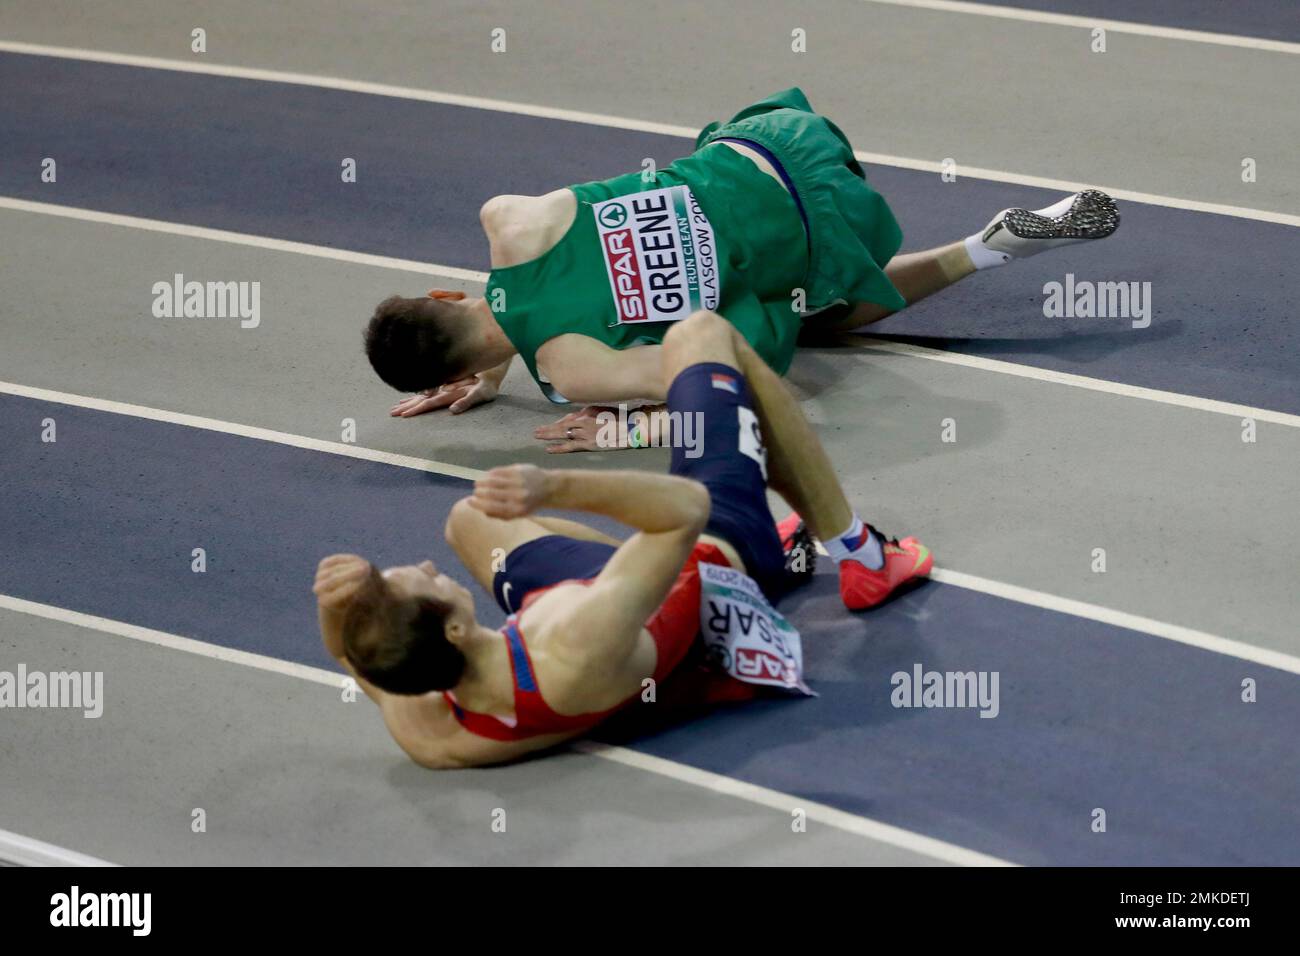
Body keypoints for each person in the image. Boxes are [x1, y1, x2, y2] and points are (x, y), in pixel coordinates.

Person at [313, 310, 932, 768]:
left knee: (469, 520)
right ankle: (863, 554)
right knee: (702, 336)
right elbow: (683, 511)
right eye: (417, 578)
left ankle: (764, 555)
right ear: (449, 627)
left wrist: (335, 610)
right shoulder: (574, 636)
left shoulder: (433, 730)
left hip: (592, 625)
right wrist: (553, 488)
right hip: (713, 562)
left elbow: (359, 659)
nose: (424, 562)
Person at [363, 88, 1119, 452]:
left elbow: (720, 391)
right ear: (443, 293)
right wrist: (495, 359)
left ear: (442, 378)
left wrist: (622, 436)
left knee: (792, 324)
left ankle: (984, 248)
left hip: (826, 236)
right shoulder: (507, 219)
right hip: (781, 143)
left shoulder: (573, 368)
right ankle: (992, 240)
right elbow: (516, 295)